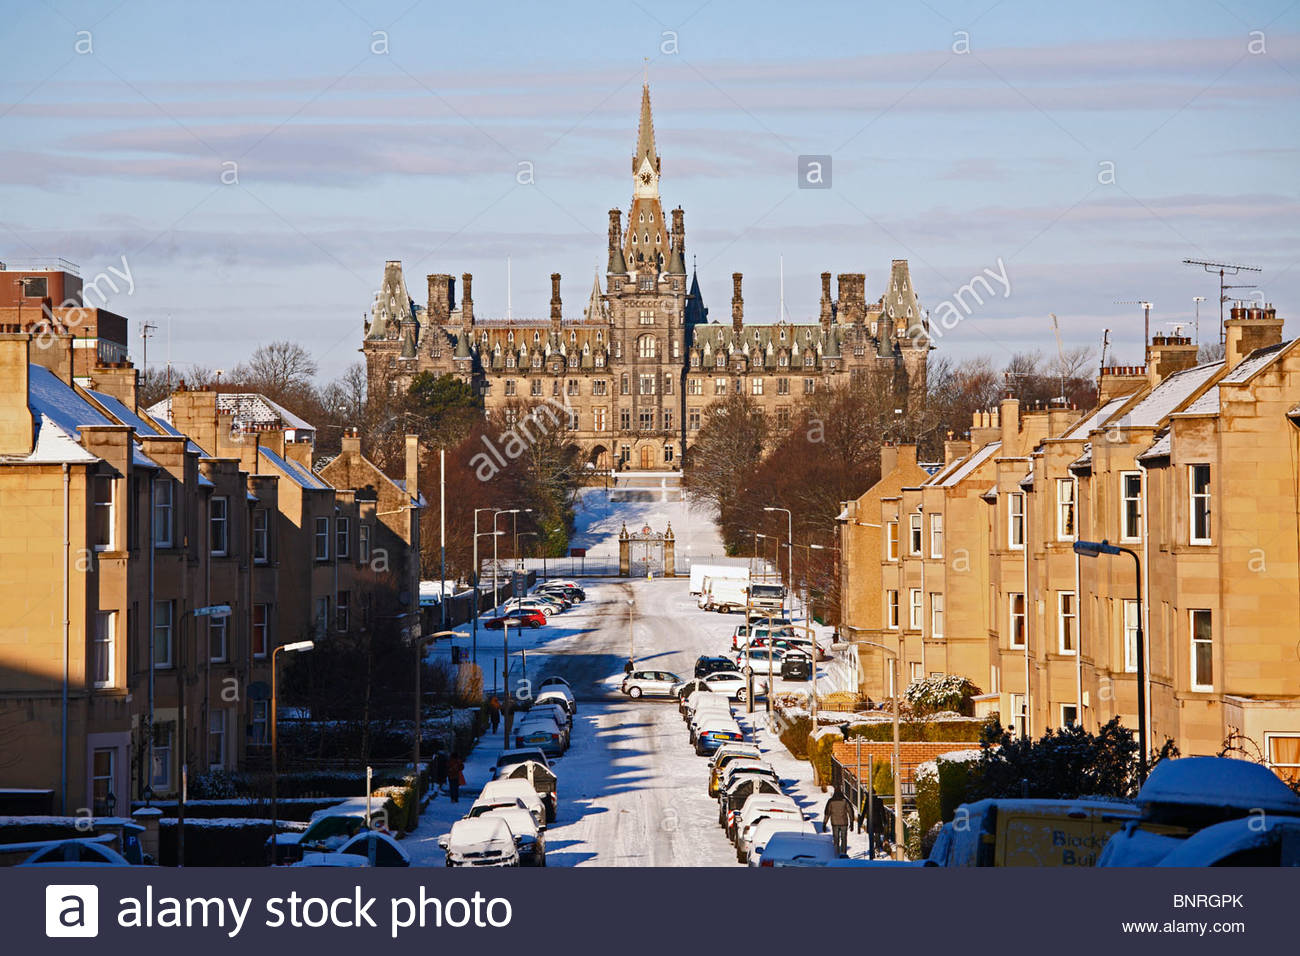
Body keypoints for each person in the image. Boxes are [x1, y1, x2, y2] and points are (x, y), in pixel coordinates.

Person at [824, 786, 855, 857]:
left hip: (835, 823)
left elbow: (827, 813)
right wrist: (852, 822)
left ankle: (836, 854)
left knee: (836, 839)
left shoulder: (831, 801)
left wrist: (824, 823)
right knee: (844, 838)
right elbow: (850, 811)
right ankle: (843, 854)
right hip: (844, 822)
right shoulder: (844, 801)